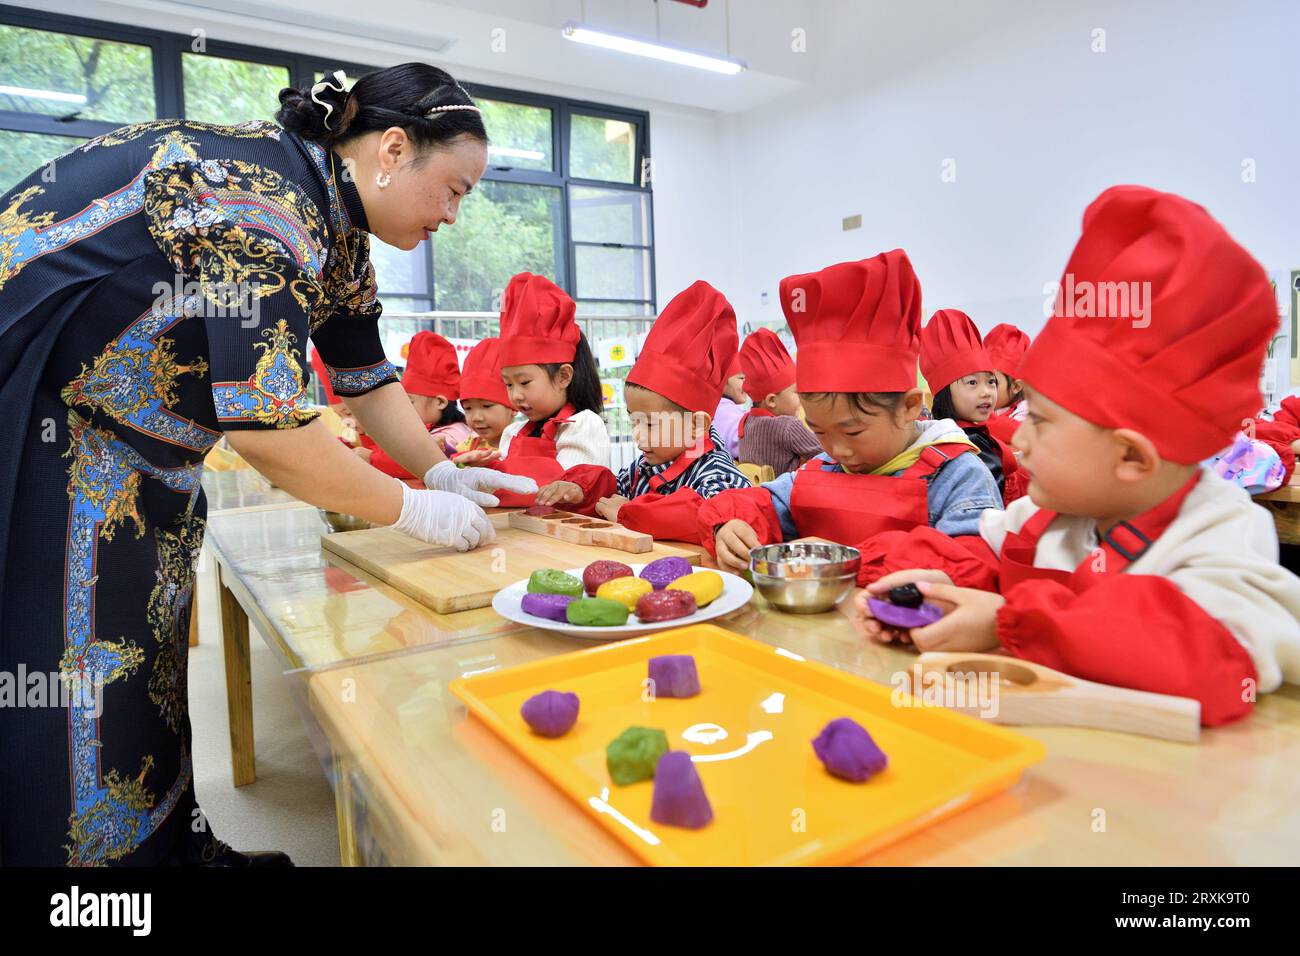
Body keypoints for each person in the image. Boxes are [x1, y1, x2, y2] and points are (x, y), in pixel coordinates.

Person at [0, 62, 532, 866]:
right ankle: (91, 886)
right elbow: (271, 434)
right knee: (78, 659)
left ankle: (164, 846)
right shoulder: (260, 209)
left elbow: (363, 376)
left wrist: (442, 471)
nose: (456, 215)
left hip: (135, 437)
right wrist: (413, 509)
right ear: (392, 150)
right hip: (48, 412)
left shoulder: (335, 225)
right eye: (455, 189)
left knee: (149, 640)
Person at [855, 185, 1300, 725]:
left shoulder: (1224, 532)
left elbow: (1207, 662)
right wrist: (926, 586)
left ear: (1132, 457)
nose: (1017, 441)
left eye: (1039, 422)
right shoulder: (1046, 516)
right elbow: (976, 556)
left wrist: (1008, 622)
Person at [699, 250, 1000, 573]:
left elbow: (971, 566)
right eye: (819, 432)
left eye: (853, 431)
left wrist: (848, 560)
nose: (837, 450)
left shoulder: (958, 477)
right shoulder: (823, 468)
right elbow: (759, 502)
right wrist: (730, 526)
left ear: (910, 407)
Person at [540, 281, 750, 542]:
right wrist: (580, 490)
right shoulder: (644, 468)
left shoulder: (717, 473)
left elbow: (700, 515)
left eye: (650, 424)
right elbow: (612, 489)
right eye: (633, 421)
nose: (638, 437)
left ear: (696, 425)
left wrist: (629, 513)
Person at [736, 328, 822, 475]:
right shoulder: (788, 426)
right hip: (786, 497)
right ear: (771, 401)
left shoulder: (745, 423)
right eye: (796, 393)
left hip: (757, 496)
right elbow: (829, 453)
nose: (802, 399)